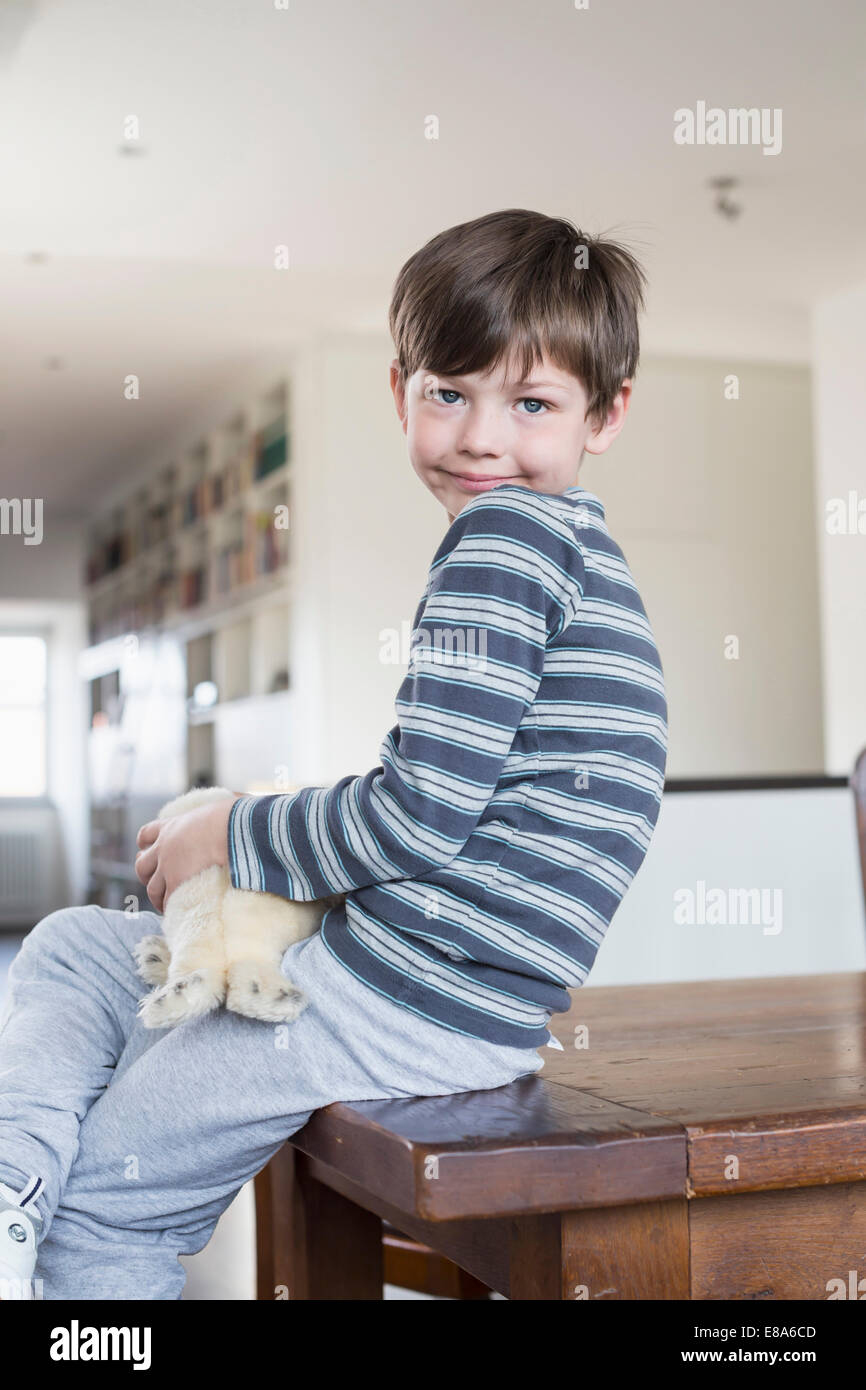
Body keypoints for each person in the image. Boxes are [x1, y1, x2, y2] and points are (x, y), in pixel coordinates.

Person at [0, 208, 667, 1300]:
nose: (480, 436)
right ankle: (13, 1188)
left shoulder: (501, 539)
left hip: (403, 997)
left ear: (606, 412)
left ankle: (42, 1213)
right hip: (418, 983)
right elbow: (443, 796)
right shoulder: (579, 551)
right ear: (398, 388)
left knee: (107, 1217)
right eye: (448, 392)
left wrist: (228, 830)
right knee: (76, 946)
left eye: (530, 403)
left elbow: (414, 820)